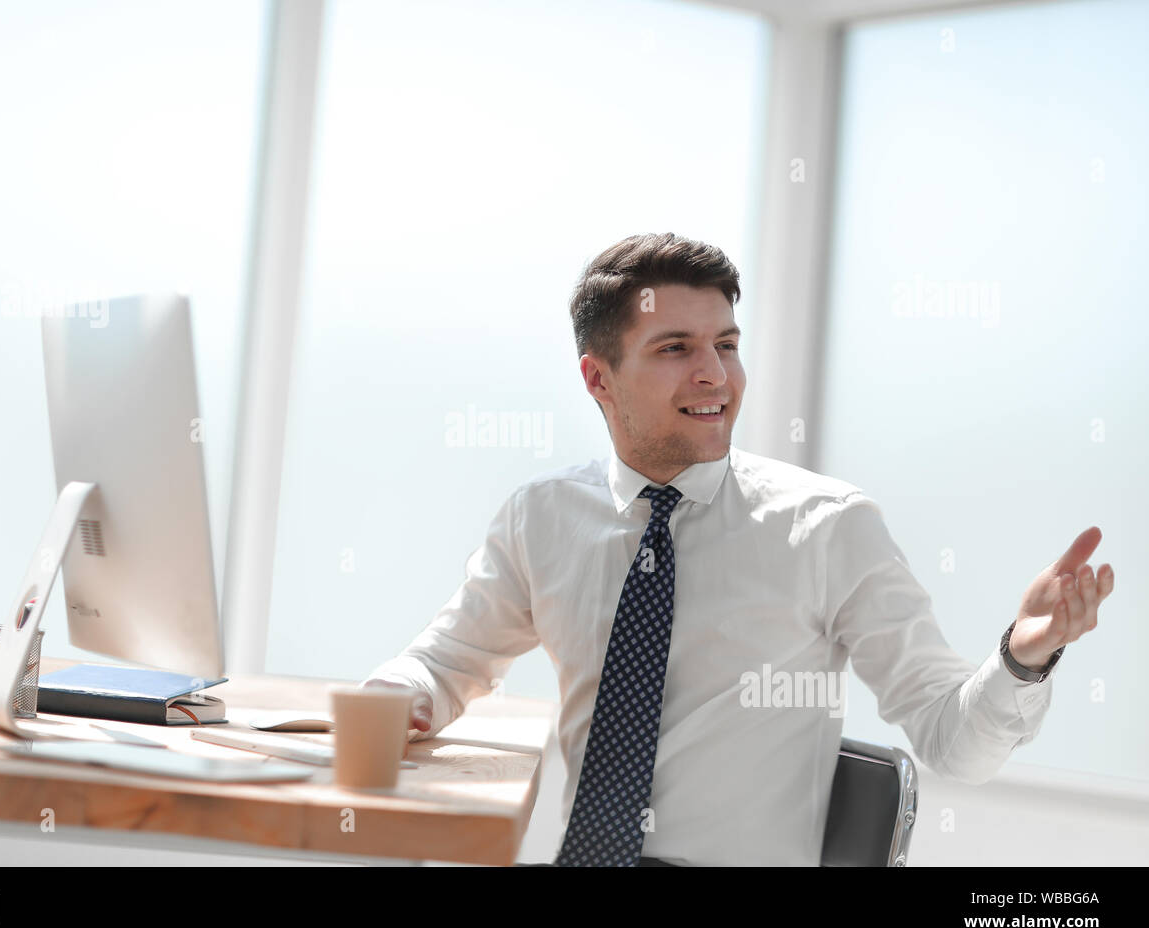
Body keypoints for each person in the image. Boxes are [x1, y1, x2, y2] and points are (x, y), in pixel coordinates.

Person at [363, 232, 1116, 866]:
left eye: (726, 344)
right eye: (675, 348)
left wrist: (1024, 656)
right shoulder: (544, 518)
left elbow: (955, 746)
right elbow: (444, 661)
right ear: (598, 378)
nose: (714, 374)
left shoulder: (827, 527)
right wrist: (393, 697)